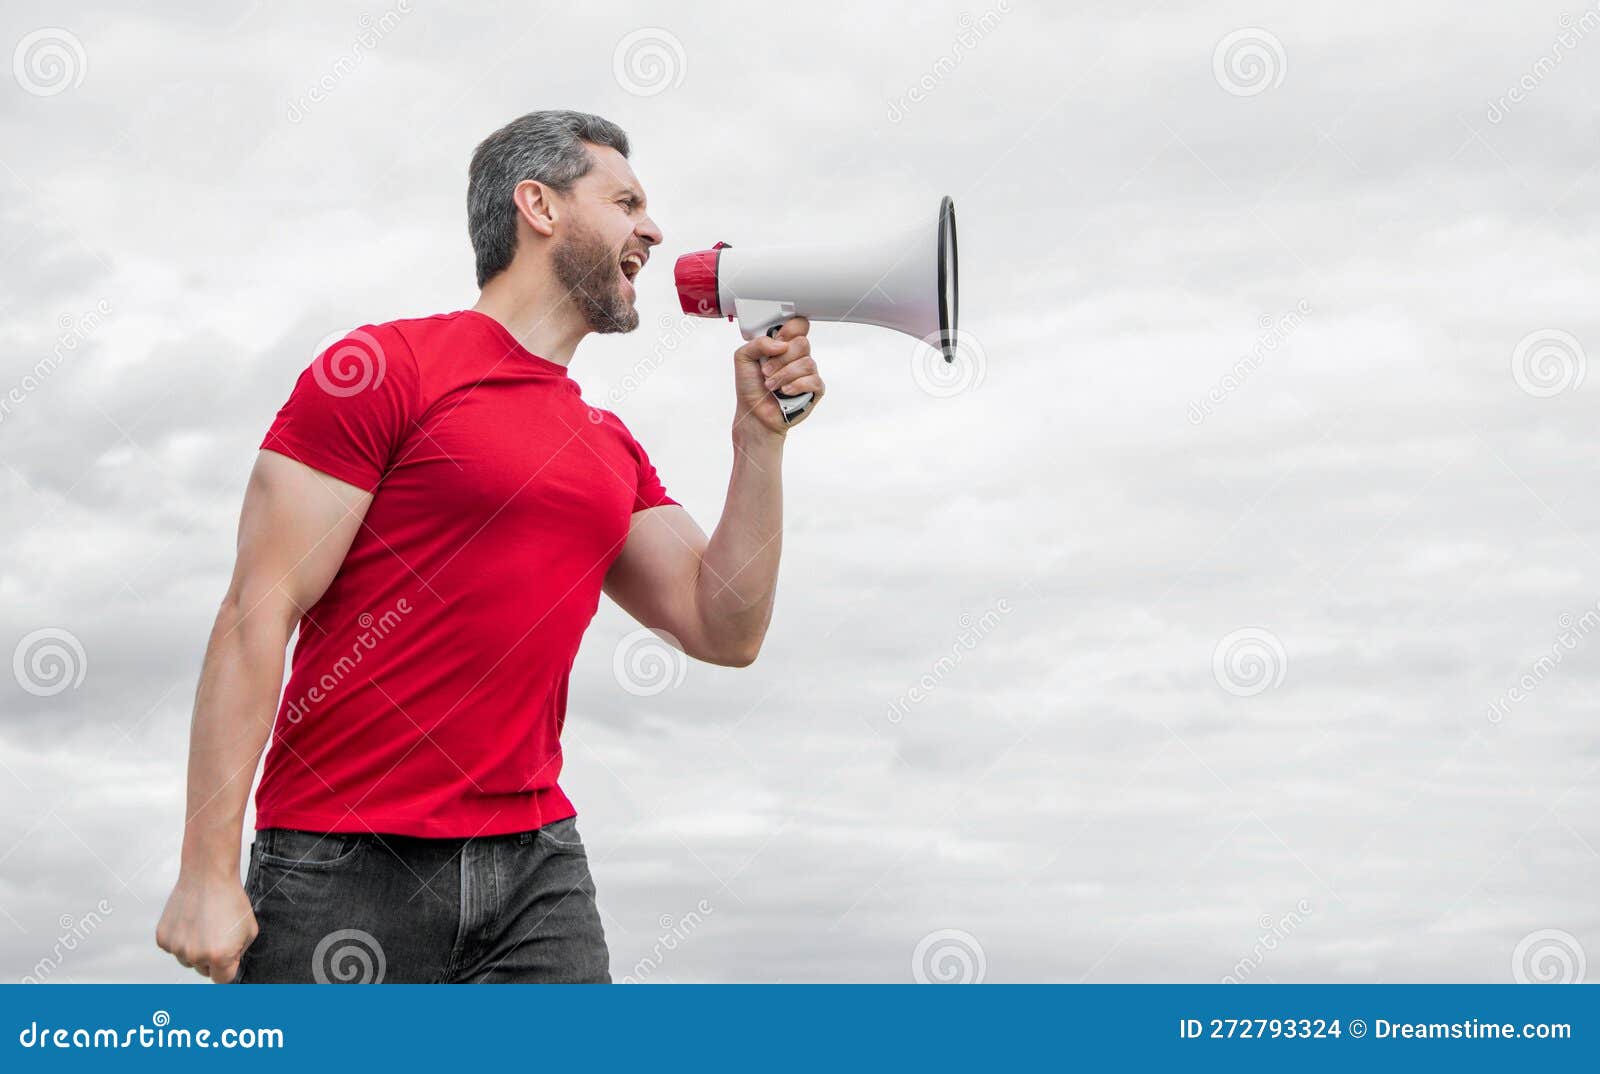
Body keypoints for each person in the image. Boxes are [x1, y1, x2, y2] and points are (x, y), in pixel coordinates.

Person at [154, 110, 823, 983]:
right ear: (537, 205)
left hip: (538, 869)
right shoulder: (383, 368)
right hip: (343, 861)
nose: (654, 231)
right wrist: (205, 871)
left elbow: (723, 627)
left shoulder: (605, 444)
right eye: (626, 201)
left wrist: (760, 441)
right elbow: (256, 611)